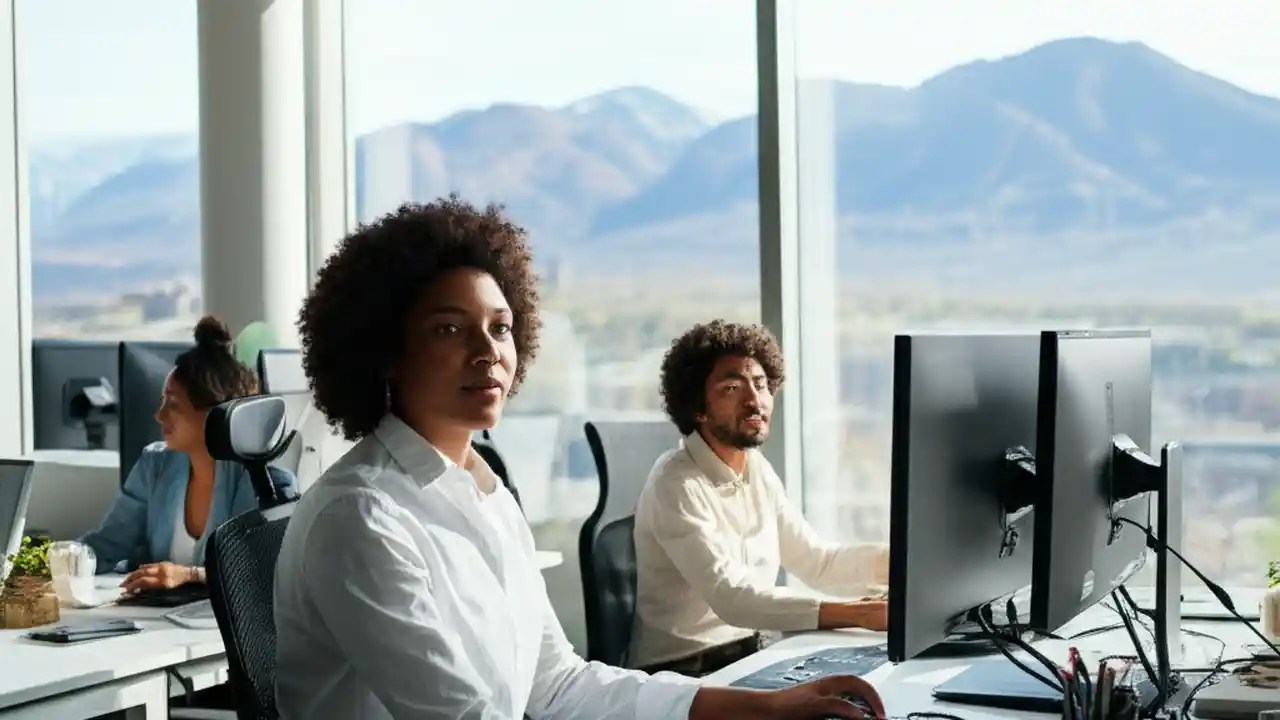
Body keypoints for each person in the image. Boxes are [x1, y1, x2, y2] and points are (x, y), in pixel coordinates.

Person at [273, 197, 885, 720]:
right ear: (385, 350)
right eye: (449, 330)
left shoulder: (485, 496)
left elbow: (558, 683)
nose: (488, 352)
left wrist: (768, 707)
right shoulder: (360, 518)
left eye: (501, 327)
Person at [629, 320, 890, 675]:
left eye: (761, 384)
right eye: (732, 388)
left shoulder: (756, 469)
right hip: (685, 672)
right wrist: (858, 614)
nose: (755, 401)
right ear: (697, 408)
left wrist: (904, 564)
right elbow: (734, 599)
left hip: (752, 654)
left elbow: (818, 562)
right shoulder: (675, 485)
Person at [81, 316, 296, 593]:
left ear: (213, 414)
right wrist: (44, 563)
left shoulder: (267, 482)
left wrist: (192, 575)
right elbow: (106, 547)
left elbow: (265, 573)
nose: (159, 416)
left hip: (223, 632)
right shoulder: (155, 464)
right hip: (161, 626)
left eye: (173, 405)